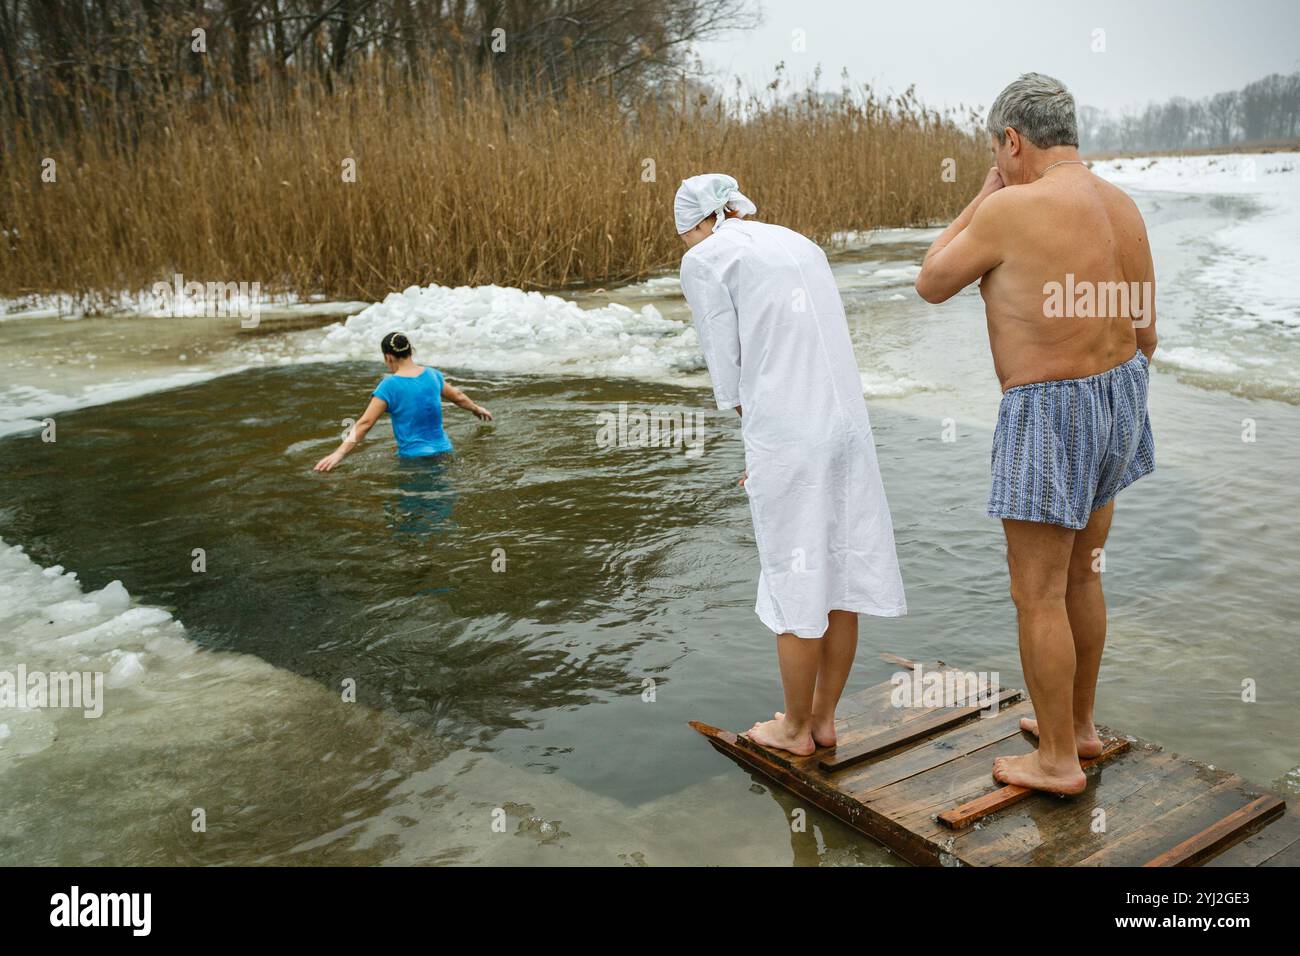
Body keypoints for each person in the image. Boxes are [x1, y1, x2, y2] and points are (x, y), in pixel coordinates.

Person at [915, 73, 1157, 794]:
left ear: (1012, 142)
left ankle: (1055, 762)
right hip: (1120, 394)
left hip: (1048, 410)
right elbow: (1147, 334)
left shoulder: (1009, 210)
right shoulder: (1123, 206)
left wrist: (984, 192)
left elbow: (930, 280)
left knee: (1037, 593)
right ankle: (1077, 728)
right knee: (1084, 573)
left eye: (998, 151)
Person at [677, 173, 907, 757]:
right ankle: (824, 720)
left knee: (795, 578)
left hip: (789, 433)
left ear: (698, 224)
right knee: (843, 575)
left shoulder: (706, 259)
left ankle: (795, 729)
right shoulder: (802, 243)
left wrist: (764, 452)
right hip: (846, 430)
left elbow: (729, 373)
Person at [314, 331, 491, 472]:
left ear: (388, 357)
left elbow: (364, 423)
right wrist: (477, 408)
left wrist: (339, 453)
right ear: (410, 351)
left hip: (414, 461)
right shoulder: (432, 375)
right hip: (445, 453)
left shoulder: (389, 386)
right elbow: (458, 397)